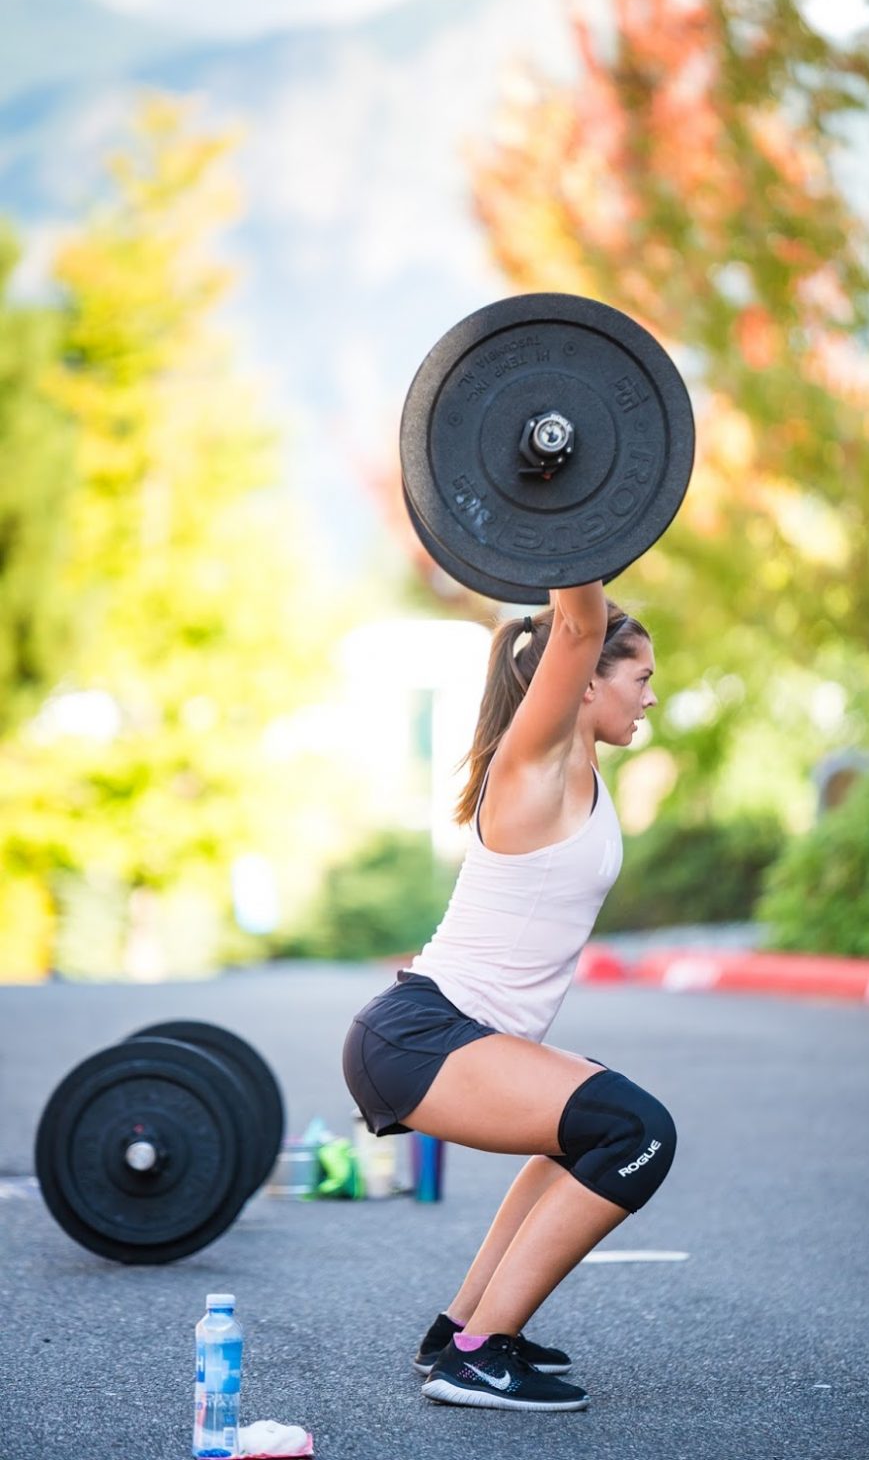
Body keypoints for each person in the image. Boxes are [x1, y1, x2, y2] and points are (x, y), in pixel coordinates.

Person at [342, 581, 676, 1412]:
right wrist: (574, 513)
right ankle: (480, 1356)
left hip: (441, 1036)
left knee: (589, 1122)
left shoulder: (582, 777)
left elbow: (581, 632)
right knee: (638, 1131)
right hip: (421, 1035)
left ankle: (460, 1328)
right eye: (640, 678)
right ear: (586, 682)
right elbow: (580, 619)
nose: (652, 695)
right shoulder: (536, 765)